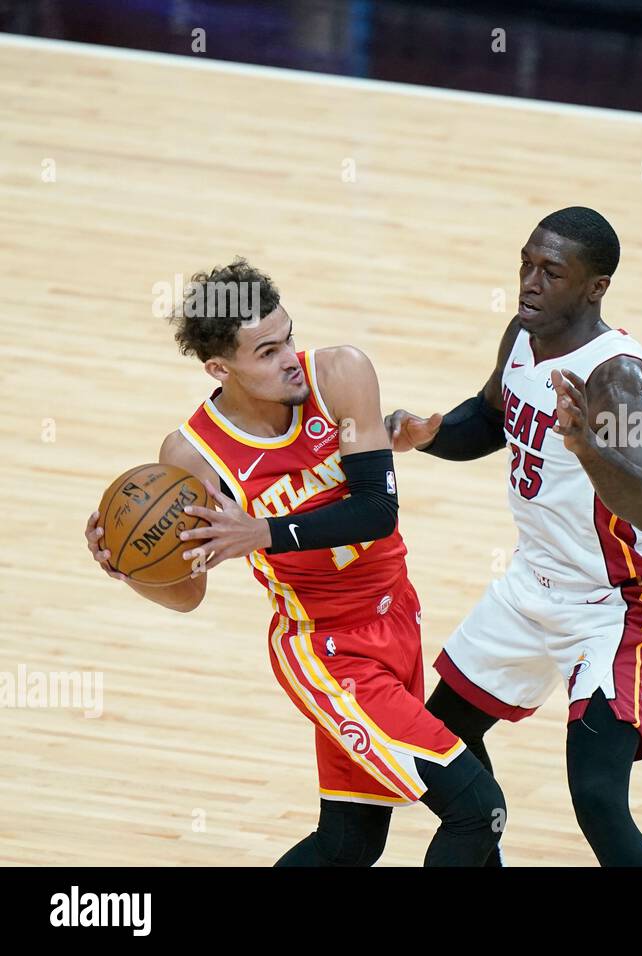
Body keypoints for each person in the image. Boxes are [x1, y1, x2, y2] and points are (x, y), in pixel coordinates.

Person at [85, 259, 503, 866]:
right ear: (218, 368)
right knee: (477, 810)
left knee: (350, 844)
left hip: (398, 619)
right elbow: (188, 594)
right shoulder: (193, 457)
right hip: (326, 651)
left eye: (288, 337)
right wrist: (132, 573)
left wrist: (262, 531)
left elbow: (375, 509)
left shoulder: (339, 374)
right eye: (266, 351)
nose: (288, 358)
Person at [387, 207, 642, 866]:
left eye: (551, 271)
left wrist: (588, 445)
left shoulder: (617, 374)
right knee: (439, 740)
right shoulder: (521, 335)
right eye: (526, 262)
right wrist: (428, 436)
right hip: (529, 587)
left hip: (612, 604)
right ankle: (484, 829)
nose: (529, 282)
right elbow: (490, 419)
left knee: (598, 798)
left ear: (594, 287)